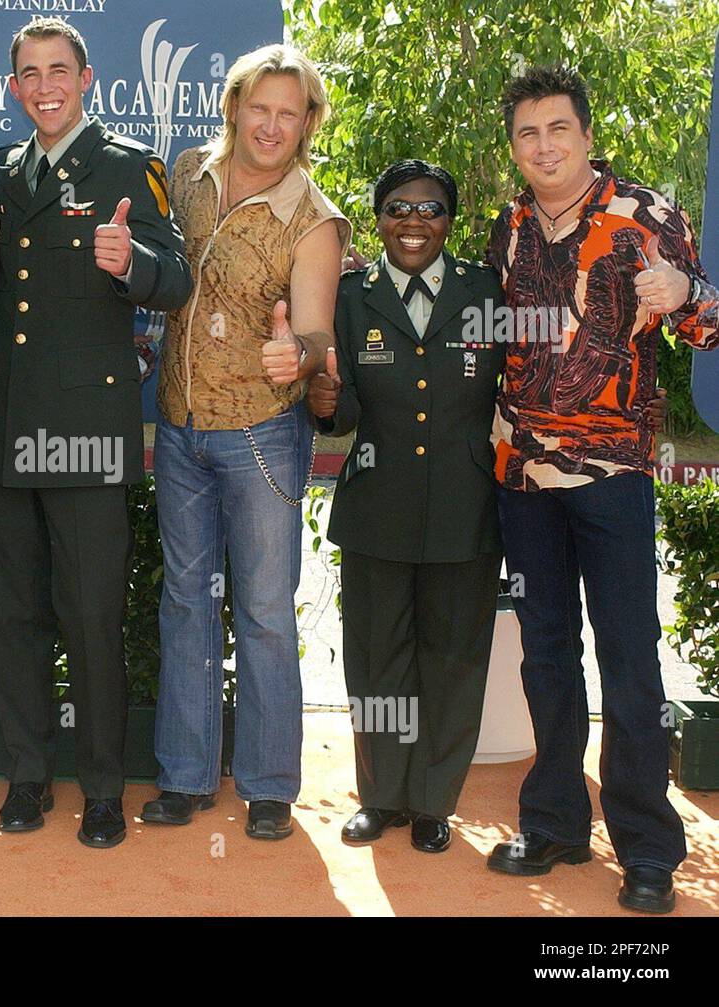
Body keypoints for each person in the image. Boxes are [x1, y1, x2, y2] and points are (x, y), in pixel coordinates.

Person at [485, 66, 719, 913]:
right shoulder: (506, 229)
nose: (543, 146)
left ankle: (648, 849)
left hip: (615, 476)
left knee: (629, 662)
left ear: (586, 134)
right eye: (527, 134)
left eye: (558, 129)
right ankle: (553, 821)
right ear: (513, 147)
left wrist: (683, 290)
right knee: (545, 655)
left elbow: (709, 323)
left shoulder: (646, 215)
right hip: (522, 477)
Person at [0, 15, 191, 848]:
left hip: (88, 436)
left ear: (87, 77)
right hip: (2, 430)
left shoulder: (132, 165)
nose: (44, 85)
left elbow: (176, 281)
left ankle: (102, 788)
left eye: (58, 69)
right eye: (28, 73)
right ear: (16, 87)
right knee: (11, 614)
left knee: (94, 619)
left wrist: (130, 261)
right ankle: (27, 777)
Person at [141, 44, 347, 840]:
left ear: (306, 123)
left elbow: (319, 331)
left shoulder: (313, 217)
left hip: (262, 435)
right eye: (260, 108)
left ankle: (267, 783)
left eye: (288, 113)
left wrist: (296, 352)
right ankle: (185, 777)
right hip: (181, 430)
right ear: (235, 106)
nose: (271, 125)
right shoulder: (189, 172)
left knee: (262, 610)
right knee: (186, 602)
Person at [309, 160, 503, 853]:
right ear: (378, 218)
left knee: (452, 659)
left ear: (450, 221)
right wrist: (326, 407)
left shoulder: (487, 291)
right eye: (398, 208)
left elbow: (525, 386)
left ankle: (434, 801)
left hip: (465, 507)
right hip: (377, 506)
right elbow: (340, 401)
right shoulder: (351, 296)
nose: (413, 221)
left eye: (429, 209)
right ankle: (384, 794)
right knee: (377, 657)